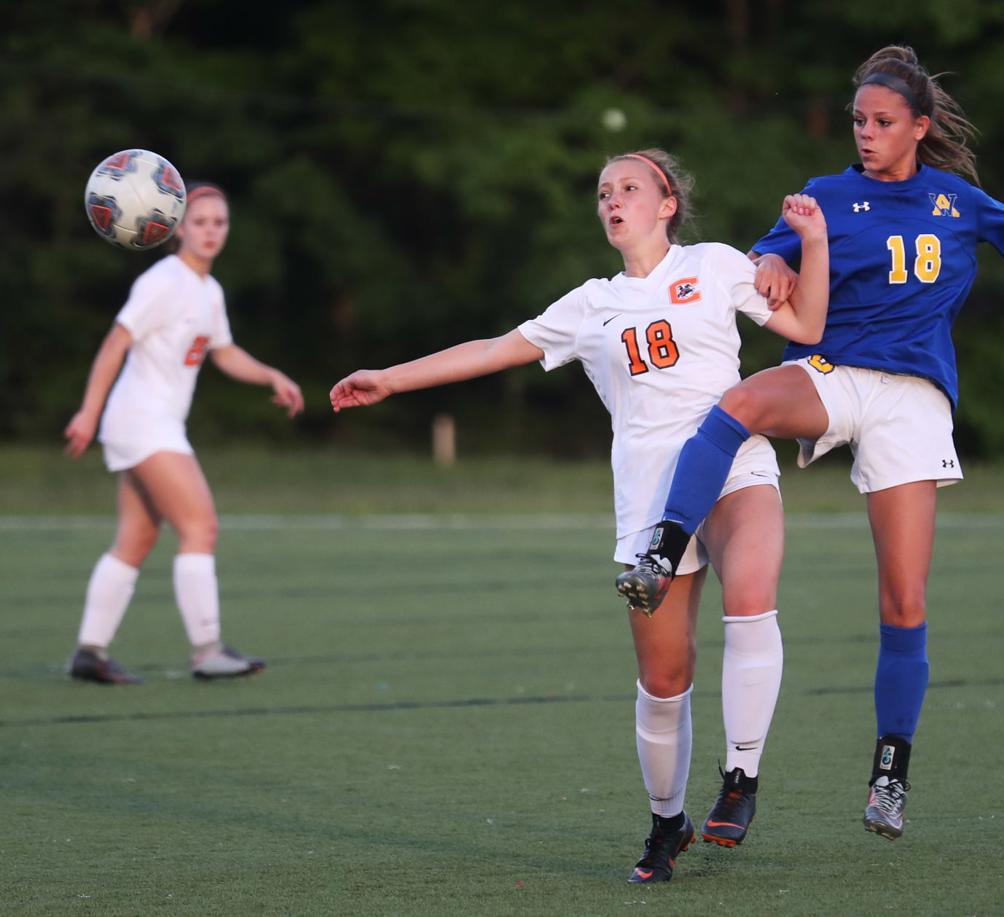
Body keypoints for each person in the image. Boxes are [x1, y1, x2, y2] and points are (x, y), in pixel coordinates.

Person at [616, 46, 1004, 842]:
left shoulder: (957, 200)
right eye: (859, 121)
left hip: (912, 400)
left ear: (919, 126)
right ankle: (661, 551)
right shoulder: (827, 194)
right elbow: (767, 252)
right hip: (833, 370)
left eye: (882, 122)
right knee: (736, 402)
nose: (867, 133)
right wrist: (773, 263)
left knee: (903, 600)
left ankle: (890, 774)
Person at [329, 149, 829, 883]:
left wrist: (811, 243)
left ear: (667, 205)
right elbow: (495, 348)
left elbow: (808, 326)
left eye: (629, 187)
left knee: (752, 598)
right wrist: (390, 379)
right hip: (649, 500)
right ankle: (666, 821)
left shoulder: (717, 264)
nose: (612, 200)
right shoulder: (589, 304)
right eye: (603, 192)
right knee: (665, 679)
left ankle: (740, 780)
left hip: (734, 467)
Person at [63, 182, 305, 684]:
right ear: (175, 227)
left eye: (220, 222)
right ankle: (207, 649)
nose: (211, 231)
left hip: (152, 424)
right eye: (200, 222)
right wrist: (88, 412)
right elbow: (115, 344)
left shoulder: (208, 290)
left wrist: (270, 375)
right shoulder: (164, 280)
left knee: (136, 538)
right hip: (143, 421)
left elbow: (224, 352)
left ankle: (90, 651)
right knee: (201, 526)